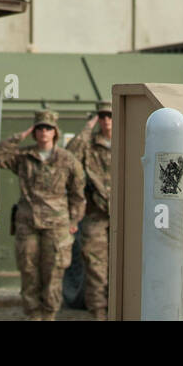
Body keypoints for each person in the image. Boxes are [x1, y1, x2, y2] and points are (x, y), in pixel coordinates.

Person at [0, 108, 85, 320]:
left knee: (53, 274)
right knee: (29, 273)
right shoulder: (24, 157)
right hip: (28, 224)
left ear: (55, 132)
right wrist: (18, 136)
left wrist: (74, 220)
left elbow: (78, 194)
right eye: (39, 128)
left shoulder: (67, 160)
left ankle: (49, 316)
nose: (43, 132)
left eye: (48, 128)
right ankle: (33, 316)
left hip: (56, 226)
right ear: (34, 131)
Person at [66, 101, 112, 320]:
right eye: (101, 116)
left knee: (127, 268)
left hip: (125, 216)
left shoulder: (129, 140)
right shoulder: (90, 145)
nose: (106, 121)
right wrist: (88, 126)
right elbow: (70, 154)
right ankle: (99, 316)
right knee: (96, 271)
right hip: (96, 217)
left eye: (110, 116)